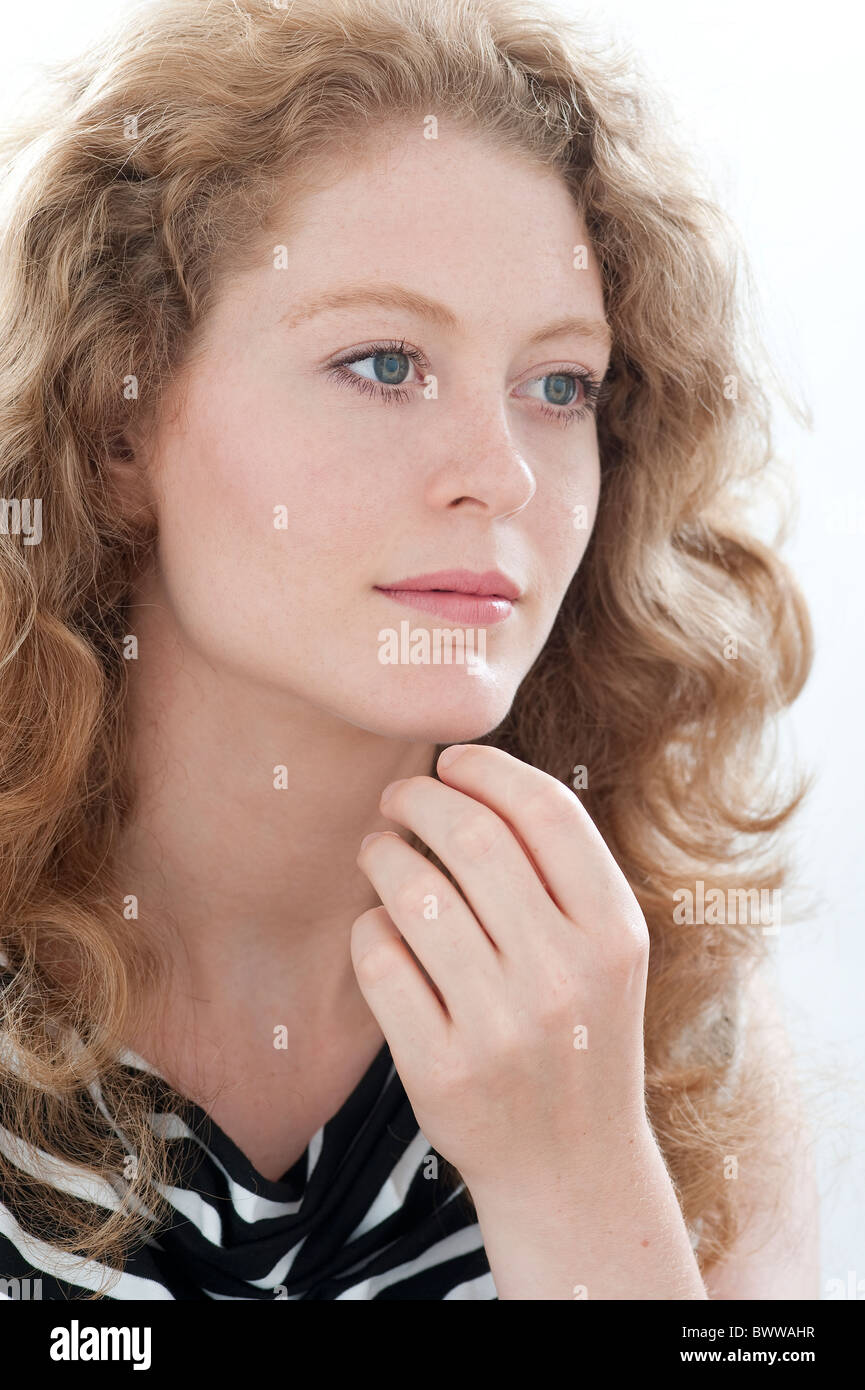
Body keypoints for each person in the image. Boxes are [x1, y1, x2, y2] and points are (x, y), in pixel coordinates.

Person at [0, 0, 818, 1300]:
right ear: (118, 422)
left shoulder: (664, 1001)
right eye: (382, 361)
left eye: (558, 386)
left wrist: (578, 1182)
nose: (498, 475)